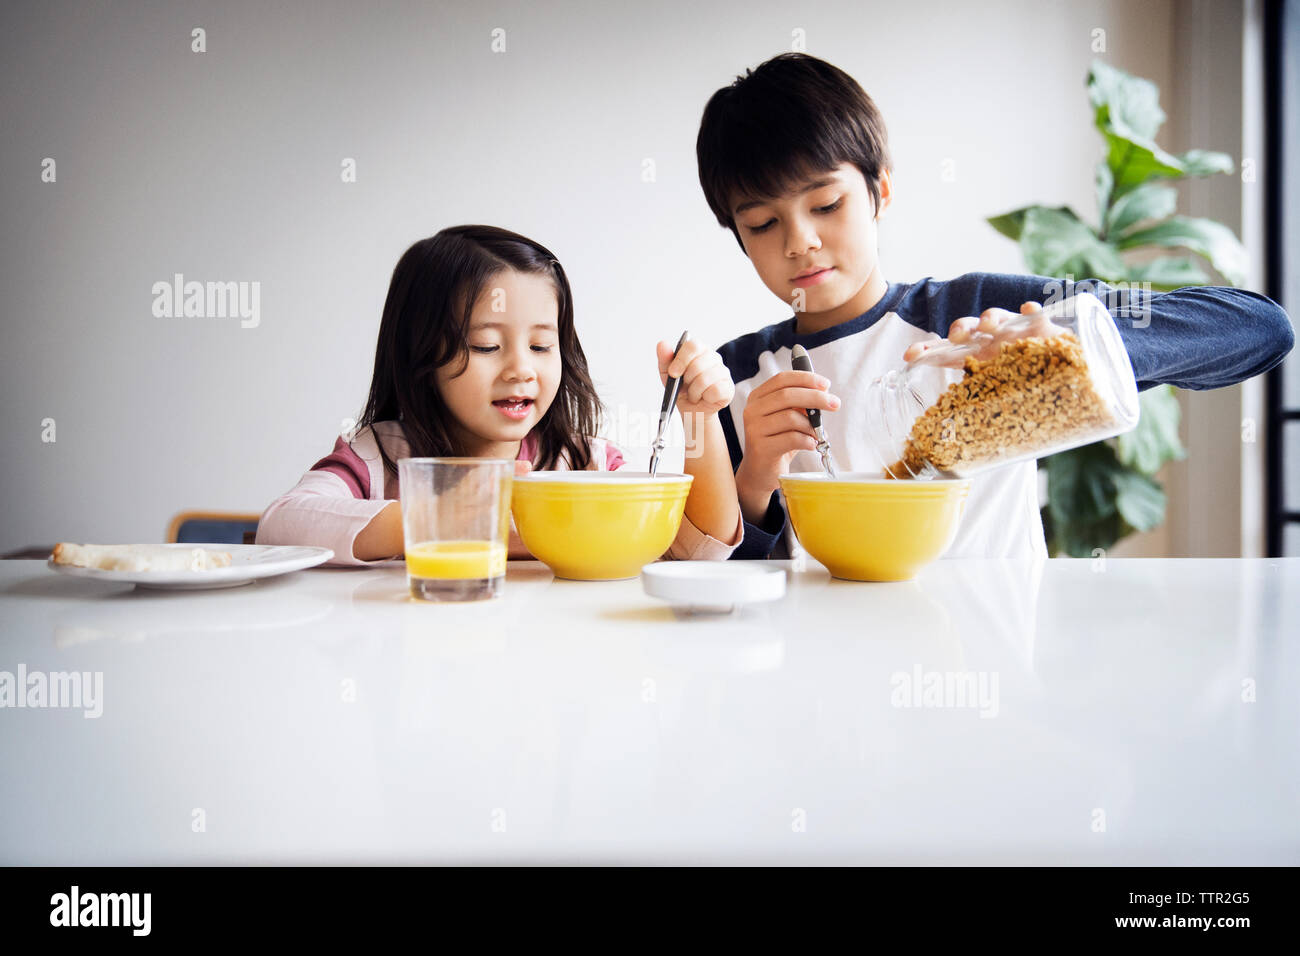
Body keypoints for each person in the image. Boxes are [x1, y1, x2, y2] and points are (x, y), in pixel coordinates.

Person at [695, 53, 1295, 559]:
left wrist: (1060, 344)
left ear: (881, 190)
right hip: (822, 689)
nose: (800, 241)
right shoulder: (733, 380)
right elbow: (729, 595)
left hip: (994, 675)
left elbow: (1260, 327)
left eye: (826, 204)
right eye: (764, 223)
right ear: (739, 238)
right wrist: (754, 486)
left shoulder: (974, 312)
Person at [256, 225, 743, 565]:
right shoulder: (379, 459)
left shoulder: (583, 462)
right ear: (421, 354)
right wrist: (446, 517)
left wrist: (700, 418)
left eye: (540, 345)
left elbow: (701, 547)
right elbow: (282, 526)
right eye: (487, 345)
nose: (520, 369)